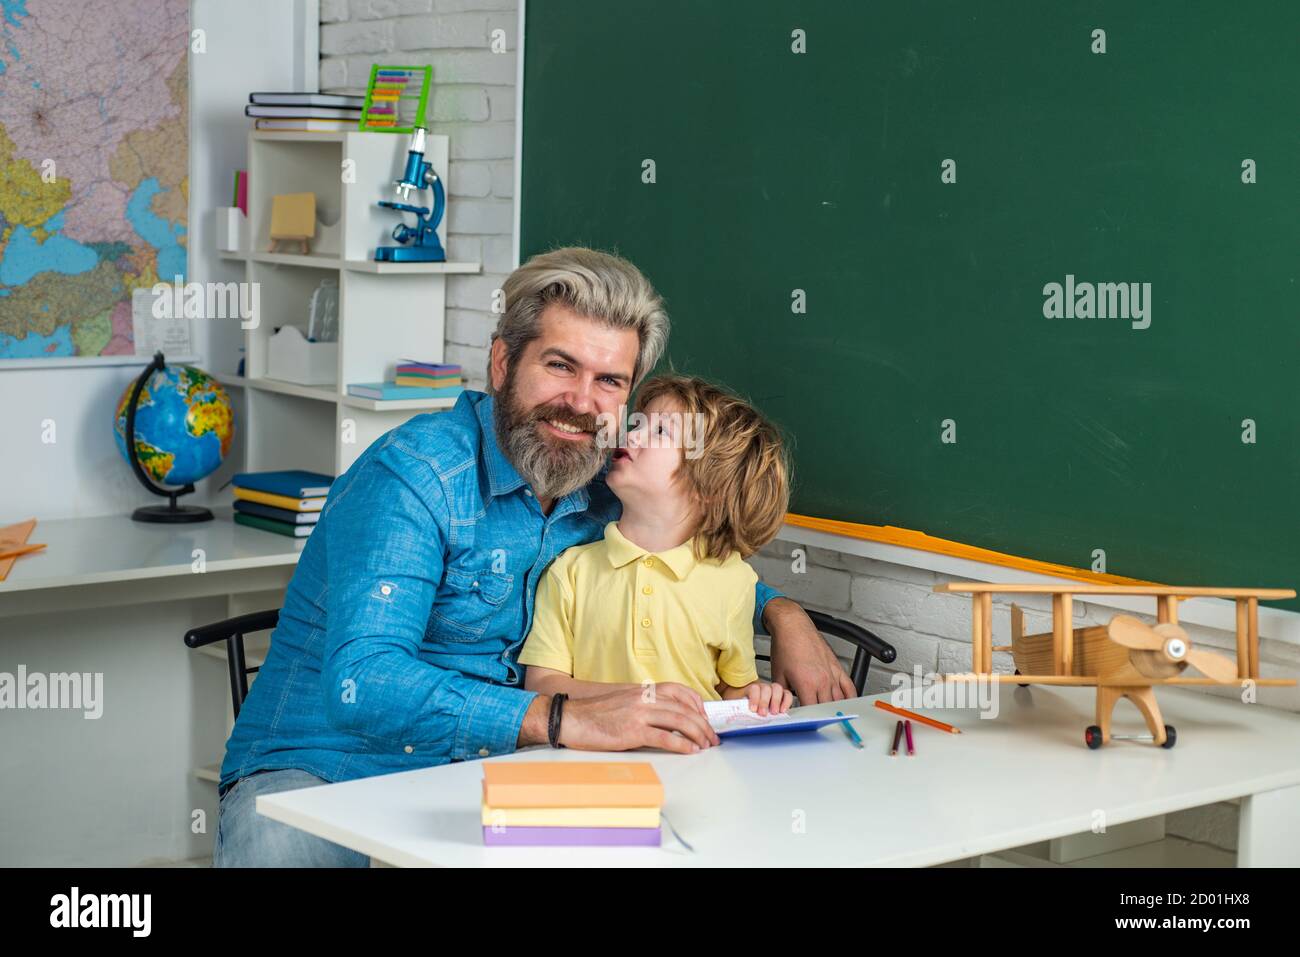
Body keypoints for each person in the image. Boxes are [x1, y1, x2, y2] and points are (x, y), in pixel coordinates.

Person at [214, 247, 854, 866]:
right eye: (560, 366)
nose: (581, 402)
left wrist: (783, 613)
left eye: (609, 381)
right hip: (326, 767)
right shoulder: (414, 476)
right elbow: (365, 682)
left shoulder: (608, 477)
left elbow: (688, 553)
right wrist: (560, 717)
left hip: (506, 771)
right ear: (501, 364)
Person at [520, 374, 795, 720]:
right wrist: (642, 699)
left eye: (660, 432)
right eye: (639, 424)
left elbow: (729, 687)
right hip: (591, 760)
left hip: (693, 761)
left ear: (708, 488)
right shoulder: (570, 572)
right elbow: (542, 685)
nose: (631, 434)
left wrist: (754, 695)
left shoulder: (735, 582)